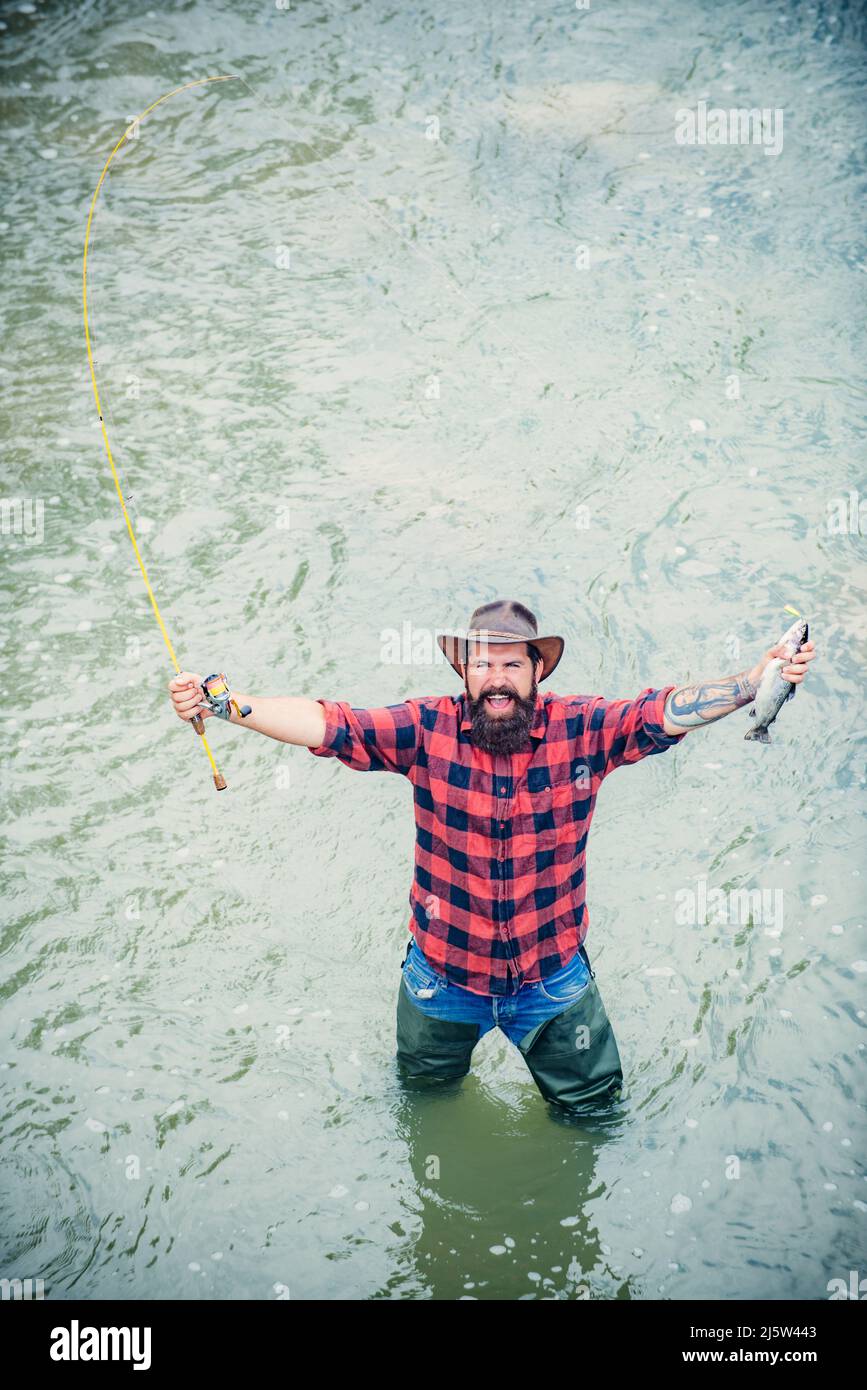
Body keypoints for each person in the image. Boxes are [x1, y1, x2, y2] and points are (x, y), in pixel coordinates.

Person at [168, 599, 816, 1116]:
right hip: (441, 977)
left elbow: (660, 712)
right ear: (463, 673)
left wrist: (749, 684)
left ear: (538, 673)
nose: (496, 678)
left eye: (512, 665)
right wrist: (228, 705)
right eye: (483, 664)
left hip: (551, 979)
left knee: (595, 1112)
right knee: (423, 1104)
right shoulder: (425, 730)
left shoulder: (584, 729)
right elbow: (331, 724)